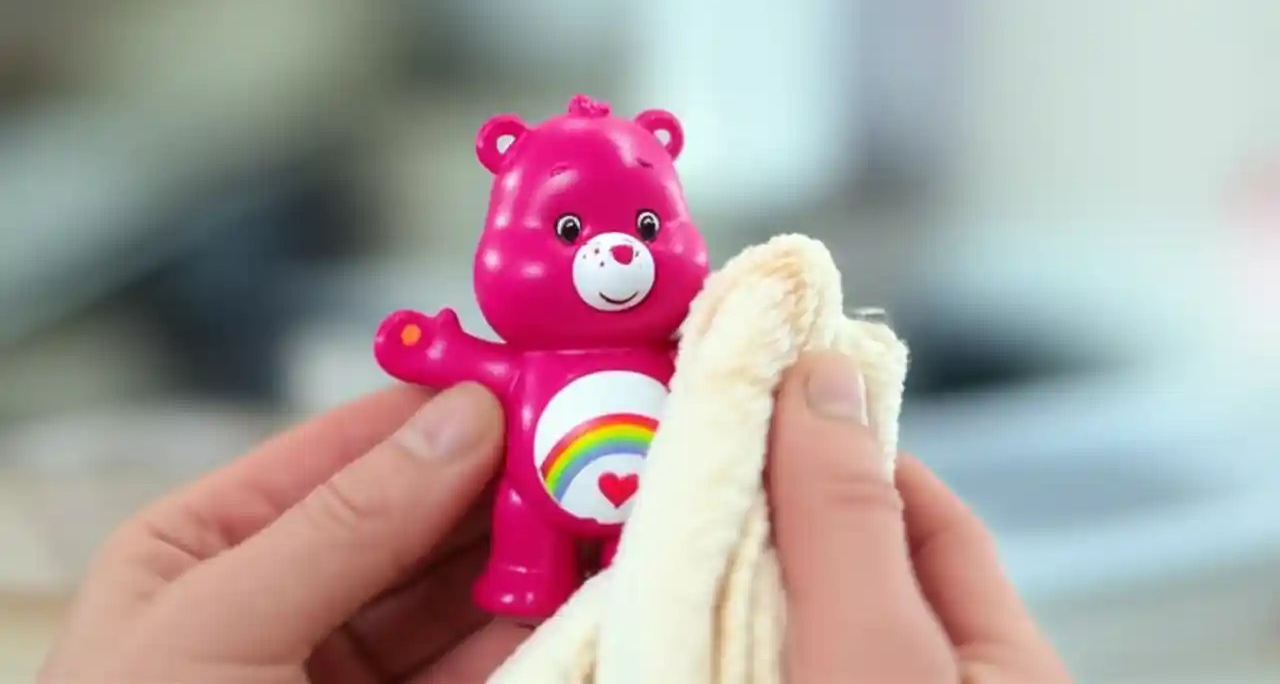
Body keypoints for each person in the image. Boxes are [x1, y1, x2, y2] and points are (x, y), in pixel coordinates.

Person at [38, 352, 1071, 683]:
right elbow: (464, 368)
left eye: (641, 230)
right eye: (571, 232)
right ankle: (537, 581)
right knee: (526, 544)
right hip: (531, 510)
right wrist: (437, 346)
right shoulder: (527, 371)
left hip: (631, 517)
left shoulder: (676, 363)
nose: (611, 258)